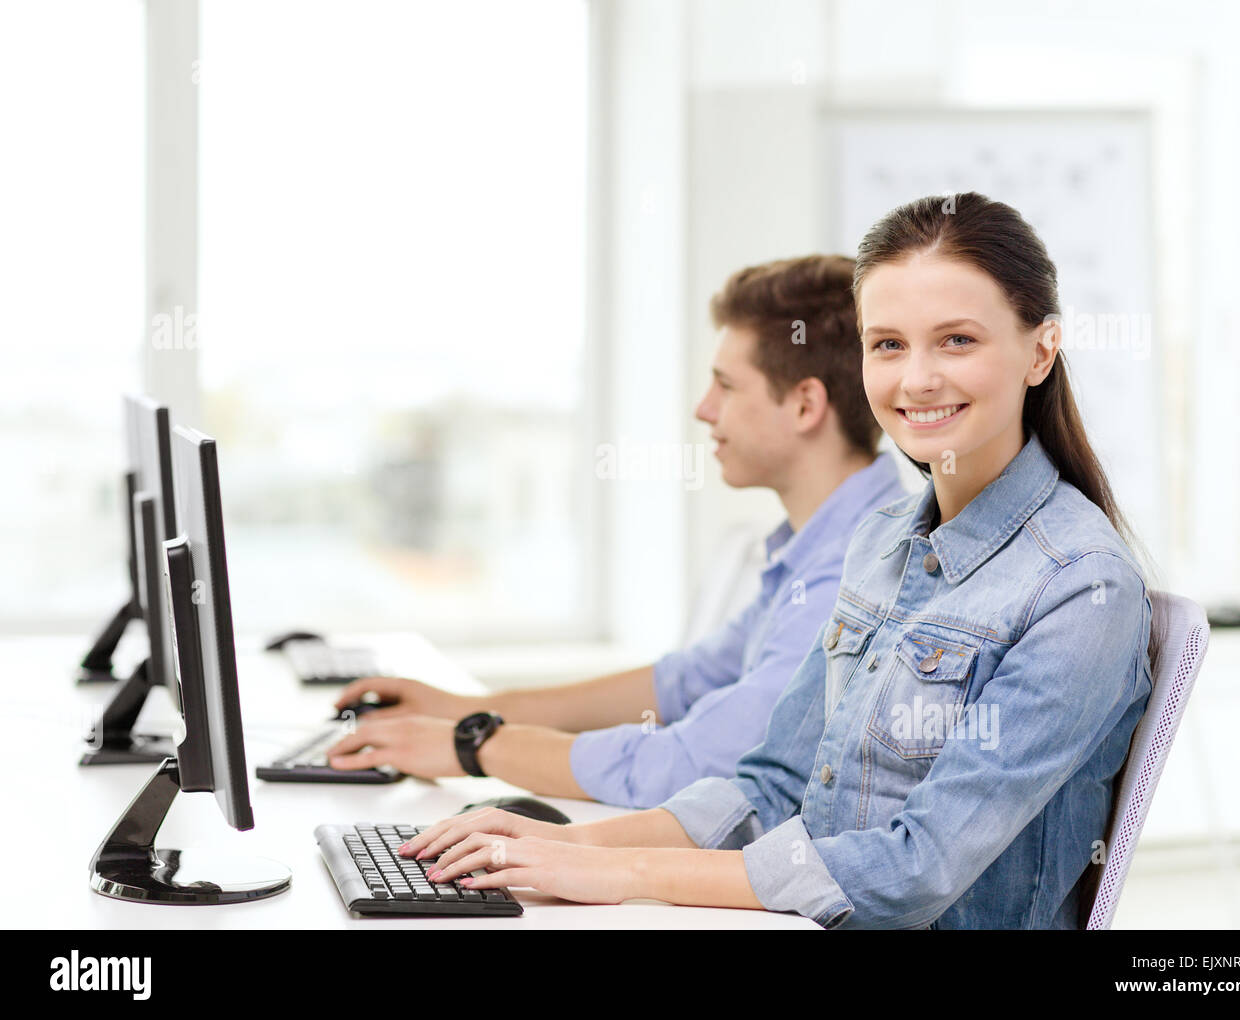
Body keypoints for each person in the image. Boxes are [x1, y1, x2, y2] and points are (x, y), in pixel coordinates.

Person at [392, 192, 1157, 930]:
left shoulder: (1081, 587)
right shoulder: (883, 538)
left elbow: (913, 870)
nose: (916, 378)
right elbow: (774, 782)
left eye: (957, 340)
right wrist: (567, 845)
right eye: (887, 344)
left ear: (1040, 350)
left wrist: (621, 873)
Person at [326, 254, 905, 808]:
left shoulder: (855, 573)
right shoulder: (820, 545)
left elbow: (693, 760)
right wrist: (472, 708)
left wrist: (472, 744)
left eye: (725, 386)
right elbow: (683, 682)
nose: (703, 409)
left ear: (805, 405)